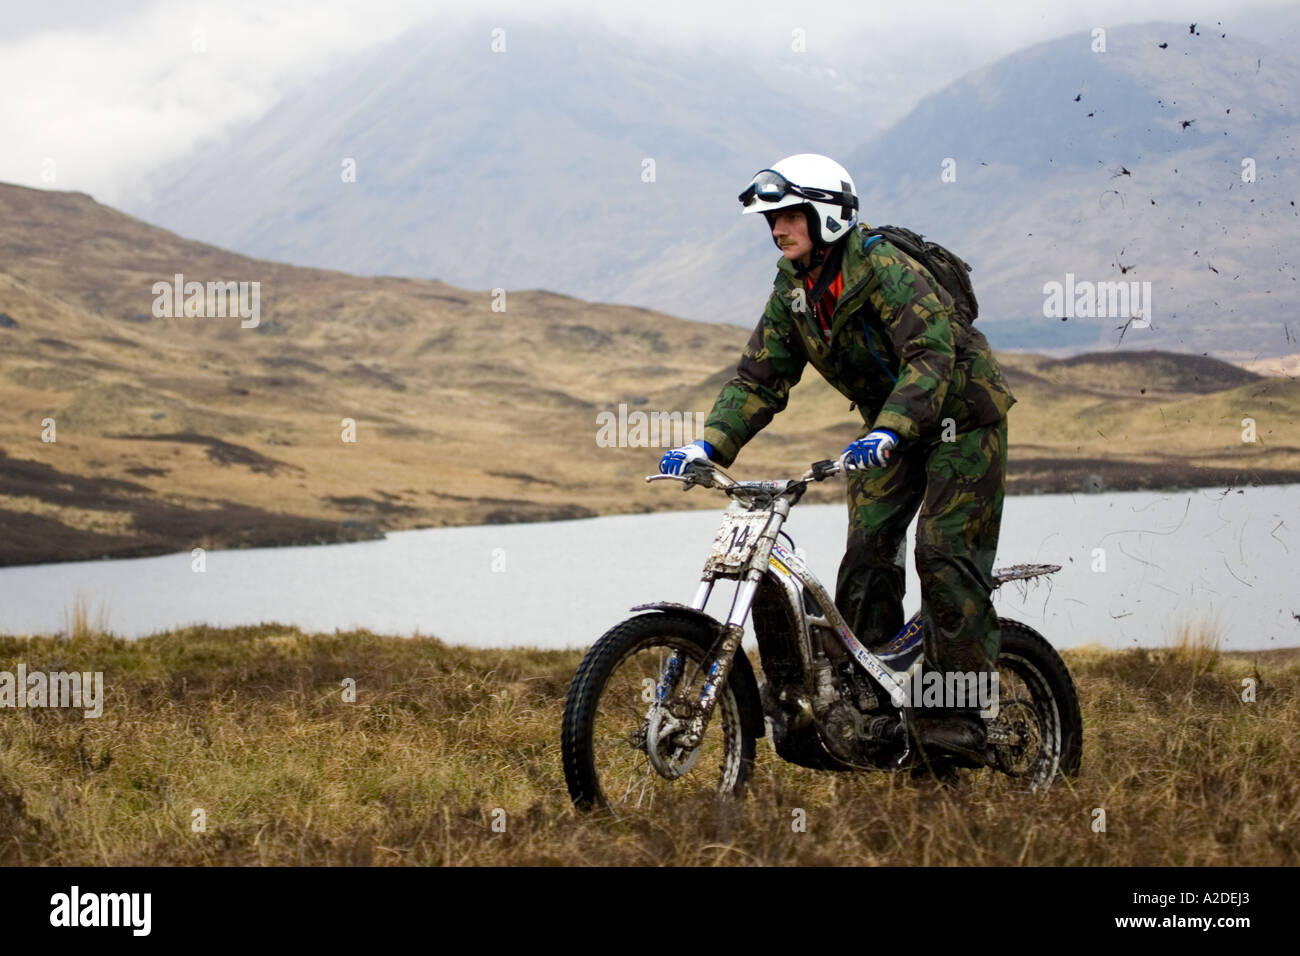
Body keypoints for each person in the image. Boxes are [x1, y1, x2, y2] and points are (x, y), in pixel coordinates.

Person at [658, 153, 1017, 768]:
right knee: (866, 556)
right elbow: (758, 379)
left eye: (789, 215)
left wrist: (893, 429)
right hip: (888, 429)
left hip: (961, 419)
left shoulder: (884, 269)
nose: (777, 229)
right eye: (771, 219)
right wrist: (707, 445)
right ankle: (870, 703)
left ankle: (964, 715)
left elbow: (930, 357)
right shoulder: (793, 290)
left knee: (943, 553)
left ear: (826, 214)